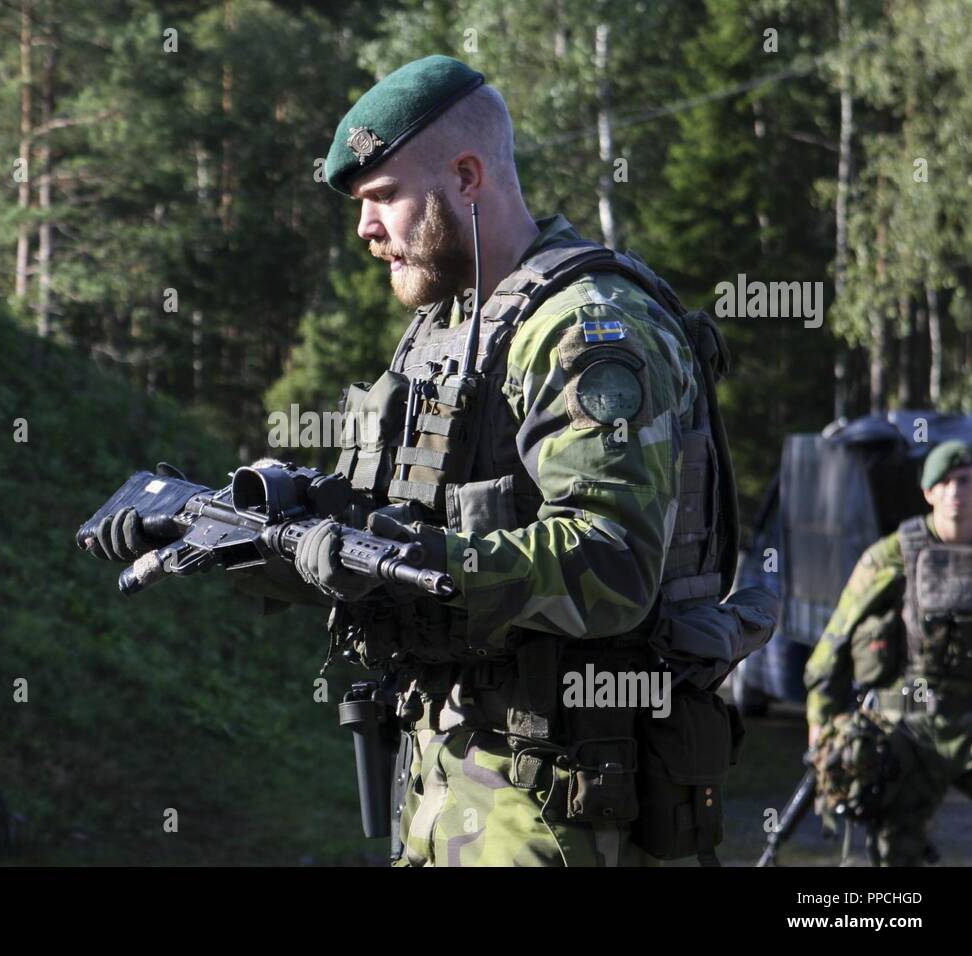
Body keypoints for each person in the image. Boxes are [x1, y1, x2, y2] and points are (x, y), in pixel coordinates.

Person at [94, 55, 767, 866]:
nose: (365, 229)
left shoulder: (586, 330)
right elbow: (386, 535)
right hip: (447, 771)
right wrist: (226, 534)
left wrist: (412, 560)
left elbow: (613, 565)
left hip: (565, 802)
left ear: (468, 177)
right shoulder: (448, 328)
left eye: (382, 197)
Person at [804, 439, 972, 865]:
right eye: (946, 482)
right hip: (910, 727)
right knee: (895, 851)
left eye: (967, 481)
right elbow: (835, 642)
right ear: (929, 491)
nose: (956, 492)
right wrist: (821, 722)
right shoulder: (894, 554)